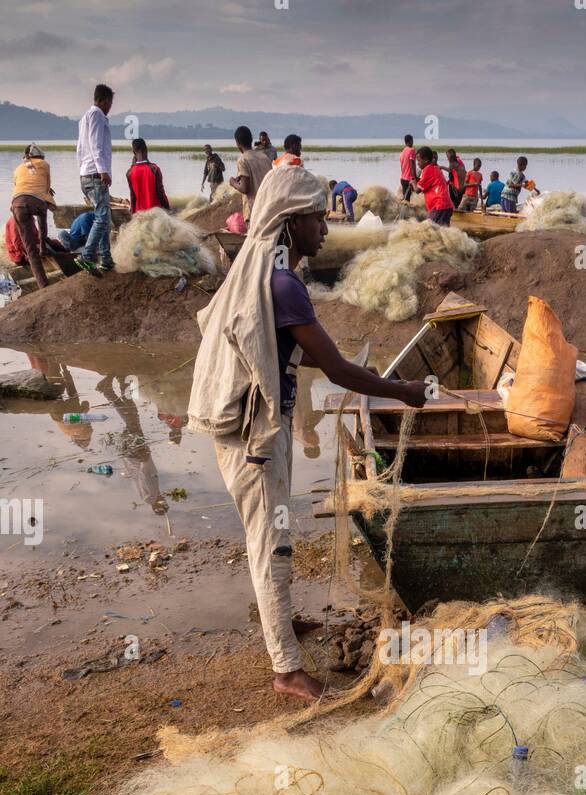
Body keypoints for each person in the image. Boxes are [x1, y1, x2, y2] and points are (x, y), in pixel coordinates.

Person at [187, 167, 429, 702]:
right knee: (269, 541)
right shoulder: (282, 283)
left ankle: (283, 621)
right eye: (318, 218)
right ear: (291, 223)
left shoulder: (263, 272)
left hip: (254, 423)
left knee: (271, 527)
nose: (326, 227)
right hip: (252, 435)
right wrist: (401, 390)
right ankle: (287, 669)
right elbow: (338, 370)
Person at [76, 82, 115, 276]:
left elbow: (80, 149)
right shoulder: (97, 115)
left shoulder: (84, 118)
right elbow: (96, 145)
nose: (110, 107)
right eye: (110, 103)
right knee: (102, 218)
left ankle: (106, 259)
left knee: (104, 218)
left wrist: (82, 172)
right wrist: (103, 171)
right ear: (105, 100)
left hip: (86, 173)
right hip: (95, 174)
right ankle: (87, 255)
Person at [9, 143, 55, 289]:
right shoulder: (44, 164)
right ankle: (43, 247)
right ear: (40, 156)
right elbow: (47, 190)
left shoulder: (18, 168)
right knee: (42, 214)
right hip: (36, 201)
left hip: (17, 204)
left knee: (30, 249)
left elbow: (19, 187)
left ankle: (43, 285)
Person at [229, 125, 274, 226]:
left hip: (254, 211)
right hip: (268, 208)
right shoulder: (264, 157)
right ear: (251, 139)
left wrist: (233, 182)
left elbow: (245, 188)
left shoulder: (243, 160)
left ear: (237, 142)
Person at [126, 139, 170, 214]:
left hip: (139, 215)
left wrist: (133, 215)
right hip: (156, 214)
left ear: (134, 152)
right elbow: (161, 193)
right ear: (146, 150)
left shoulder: (130, 172)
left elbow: (133, 197)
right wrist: (168, 209)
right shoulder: (154, 169)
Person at [413, 146, 453, 226]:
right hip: (446, 206)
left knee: (430, 229)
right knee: (443, 232)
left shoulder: (428, 170)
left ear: (426, 160)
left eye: (419, 160)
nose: (418, 163)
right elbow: (426, 184)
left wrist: (412, 183)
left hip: (439, 206)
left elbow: (417, 190)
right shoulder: (435, 168)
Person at [399, 134, 416, 201]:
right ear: (410, 141)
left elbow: (401, 167)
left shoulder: (402, 152)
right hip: (409, 179)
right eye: (412, 141)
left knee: (406, 199)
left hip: (403, 179)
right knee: (408, 200)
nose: (413, 142)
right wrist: (414, 177)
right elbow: (412, 164)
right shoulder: (412, 150)